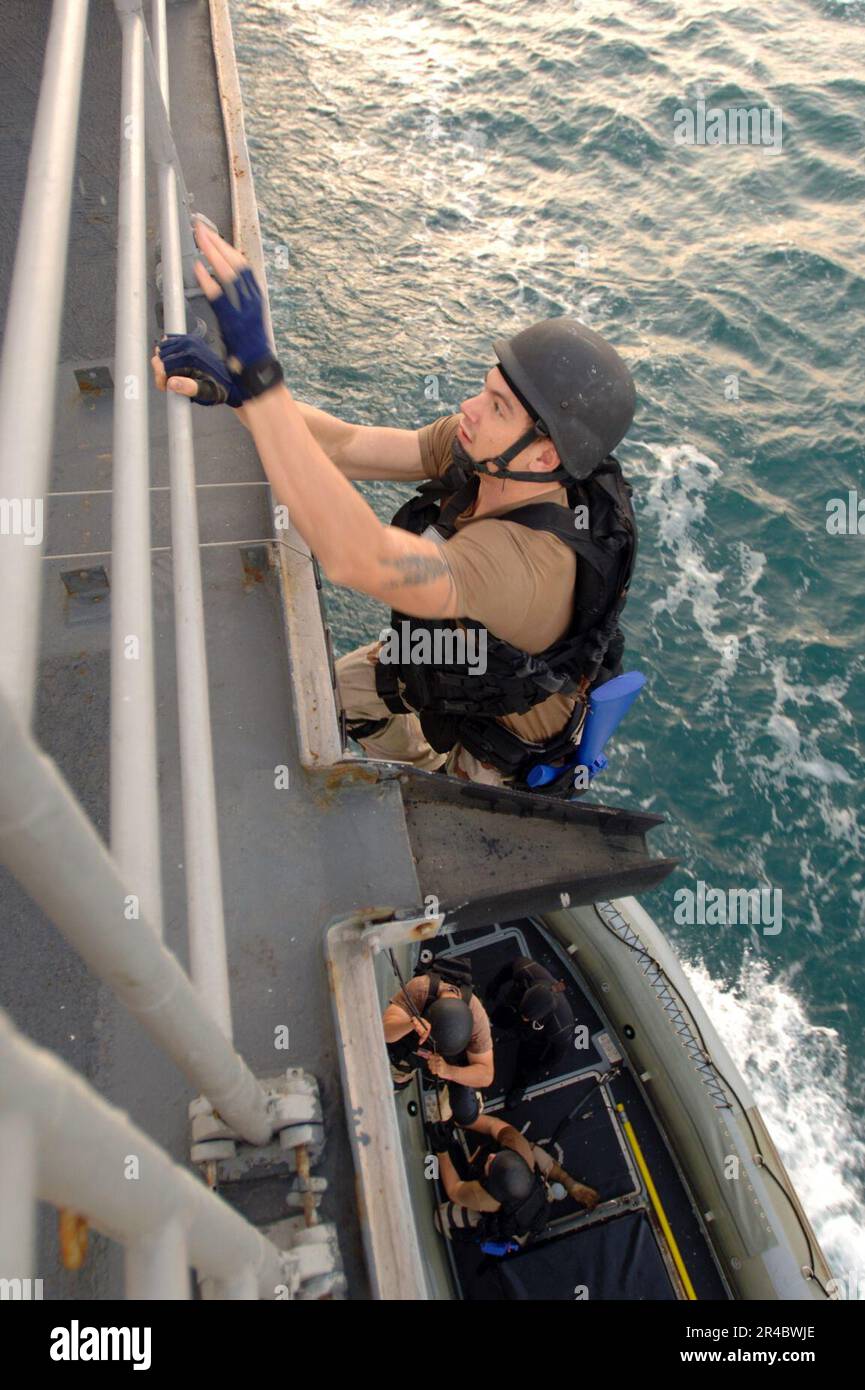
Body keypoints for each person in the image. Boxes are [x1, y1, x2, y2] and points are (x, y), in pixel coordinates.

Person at [151, 219, 637, 793]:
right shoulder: (487, 454)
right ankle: (419, 762)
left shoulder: (519, 564)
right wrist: (238, 392)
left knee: (460, 806)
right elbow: (346, 445)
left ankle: (431, 789)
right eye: (486, 388)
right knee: (332, 694)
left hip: (502, 738)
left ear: (544, 455)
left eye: (498, 406)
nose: (469, 407)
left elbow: (361, 558)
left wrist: (264, 380)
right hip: (450, 659)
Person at [429, 1113, 598, 1249]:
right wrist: (458, 1118)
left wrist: (441, 1150)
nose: (491, 1156)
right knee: (532, 1150)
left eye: (492, 1163)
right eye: (498, 1157)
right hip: (526, 1192)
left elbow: (454, 1191)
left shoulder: (489, 1199)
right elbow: (492, 1125)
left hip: (502, 1218)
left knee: (441, 1217)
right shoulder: (520, 1147)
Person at [382, 959, 494, 1127]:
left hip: (451, 1063)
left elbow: (486, 1075)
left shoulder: (477, 1018)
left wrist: (449, 1072)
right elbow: (384, 1032)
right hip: (416, 1042)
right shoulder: (420, 989)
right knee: (394, 1070)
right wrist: (410, 1024)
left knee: (465, 1110)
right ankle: (402, 1077)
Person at [487, 956, 576, 1107]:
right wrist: (495, 985)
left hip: (537, 1036)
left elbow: (554, 1057)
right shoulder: (525, 969)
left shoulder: (561, 1028)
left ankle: (520, 1085)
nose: (524, 1019)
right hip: (514, 1005)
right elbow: (508, 969)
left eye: (527, 1018)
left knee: (527, 1061)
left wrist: (537, 1071)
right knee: (499, 1016)